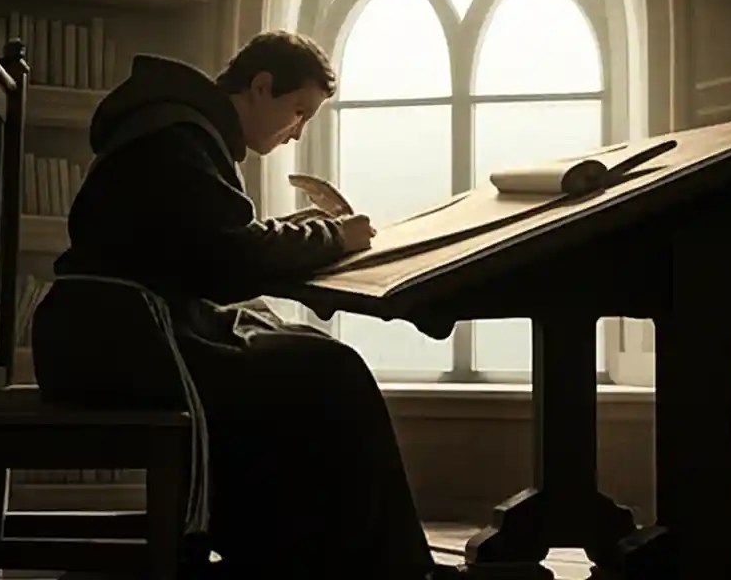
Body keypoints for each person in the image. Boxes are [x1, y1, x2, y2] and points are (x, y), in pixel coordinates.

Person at [31, 32, 463, 580]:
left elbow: (223, 240)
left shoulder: (181, 128)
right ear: (261, 87)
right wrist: (333, 238)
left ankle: (332, 556)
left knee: (313, 359)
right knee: (332, 371)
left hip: (110, 331)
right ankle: (372, 566)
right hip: (119, 340)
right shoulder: (178, 135)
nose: (297, 133)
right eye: (297, 112)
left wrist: (319, 235)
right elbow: (232, 260)